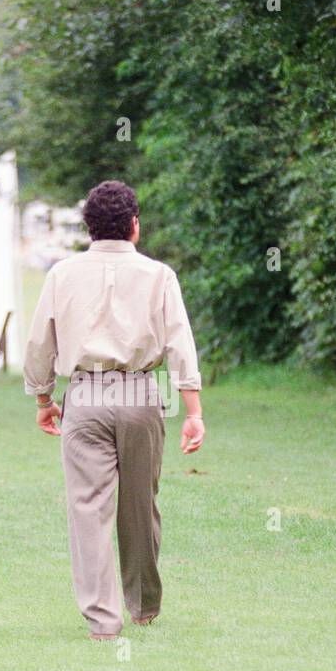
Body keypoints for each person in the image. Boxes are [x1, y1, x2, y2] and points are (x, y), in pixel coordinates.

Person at [24, 180, 205, 640]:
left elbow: (39, 343)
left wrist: (44, 399)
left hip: (84, 395)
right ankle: (143, 605)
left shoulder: (62, 275)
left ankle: (103, 621)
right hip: (143, 391)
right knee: (140, 505)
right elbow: (180, 341)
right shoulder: (159, 275)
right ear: (134, 226)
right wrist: (193, 410)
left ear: (88, 228)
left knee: (88, 509)